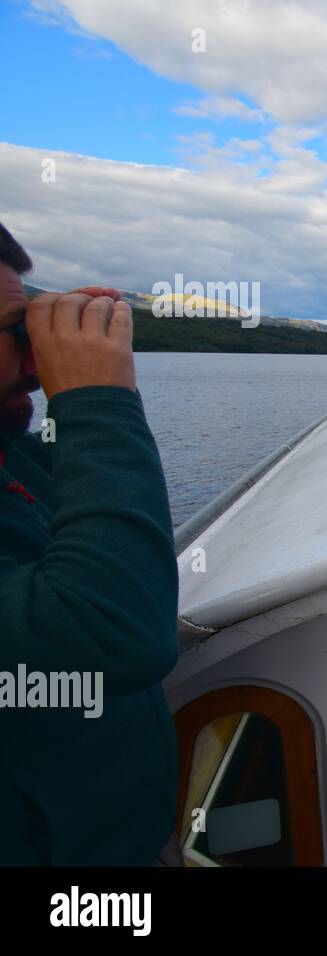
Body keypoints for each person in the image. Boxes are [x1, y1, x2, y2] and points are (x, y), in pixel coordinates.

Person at [0, 222, 180, 865]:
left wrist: (77, 346)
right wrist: (98, 399)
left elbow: (103, 514)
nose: (31, 358)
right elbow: (114, 626)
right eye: (14, 333)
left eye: (30, 329)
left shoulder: (13, 462)